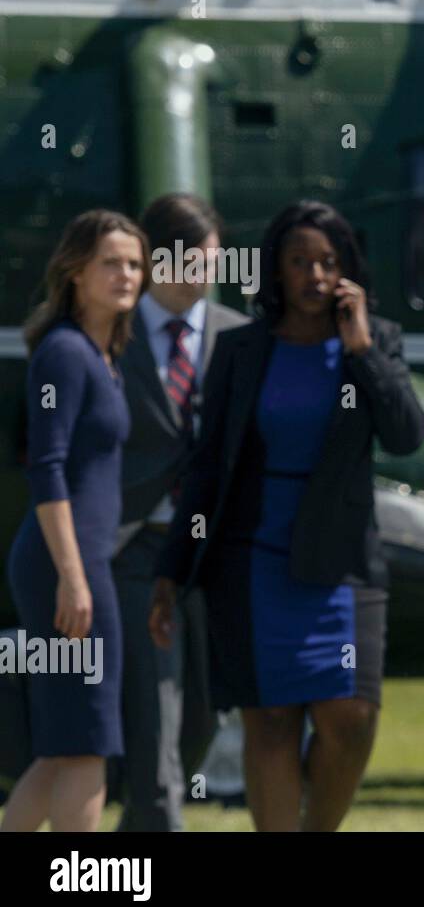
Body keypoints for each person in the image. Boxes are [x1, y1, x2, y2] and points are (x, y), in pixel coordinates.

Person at [149, 200, 424, 831]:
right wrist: (172, 570)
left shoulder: (376, 340)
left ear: (347, 270)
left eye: (328, 262)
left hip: (342, 563)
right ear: (274, 270)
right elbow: (206, 466)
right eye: (298, 261)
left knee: (349, 718)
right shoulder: (241, 348)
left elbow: (408, 434)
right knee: (270, 721)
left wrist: (360, 350)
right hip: (250, 563)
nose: (314, 275)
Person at [2, 210, 146, 832]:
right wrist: (73, 576)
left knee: (64, 742)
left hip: (74, 565)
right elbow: (47, 468)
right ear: (75, 270)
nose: (127, 274)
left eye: (136, 263)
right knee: (88, 738)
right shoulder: (63, 352)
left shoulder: (99, 353)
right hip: (67, 568)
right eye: (111, 261)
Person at [112, 193, 249, 831]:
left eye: (214, 261)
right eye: (196, 260)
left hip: (209, 557)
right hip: (134, 548)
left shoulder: (234, 336)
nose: (207, 274)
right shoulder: (107, 331)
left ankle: (122, 851)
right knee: (158, 717)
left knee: (200, 718)